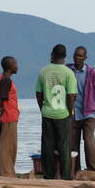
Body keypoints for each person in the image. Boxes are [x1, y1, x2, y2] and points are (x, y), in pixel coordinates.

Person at [35, 44, 78, 180]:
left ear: (52, 54)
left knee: (47, 145)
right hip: (63, 113)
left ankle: (48, 174)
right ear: (65, 57)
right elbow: (71, 96)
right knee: (64, 146)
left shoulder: (43, 71)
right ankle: (65, 176)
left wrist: (42, 108)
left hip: (47, 113)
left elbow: (39, 93)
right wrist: (70, 112)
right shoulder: (69, 73)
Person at [70, 46, 95, 172]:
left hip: (88, 113)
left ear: (85, 58)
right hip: (73, 112)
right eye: (75, 55)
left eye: (80, 56)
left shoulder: (92, 73)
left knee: (89, 141)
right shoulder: (68, 70)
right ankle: (74, 169)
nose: (77, 58)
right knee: (73, 143)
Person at [0, 56, 20, 177]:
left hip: (6, 116)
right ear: (9, 67)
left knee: (3, 145)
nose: (17, 66)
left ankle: (0, 172)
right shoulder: (6, 80)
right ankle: (7, 173)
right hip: (8, 116)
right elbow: (1, 100)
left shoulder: (1, 78)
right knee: (7, 147)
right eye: (15, 64)